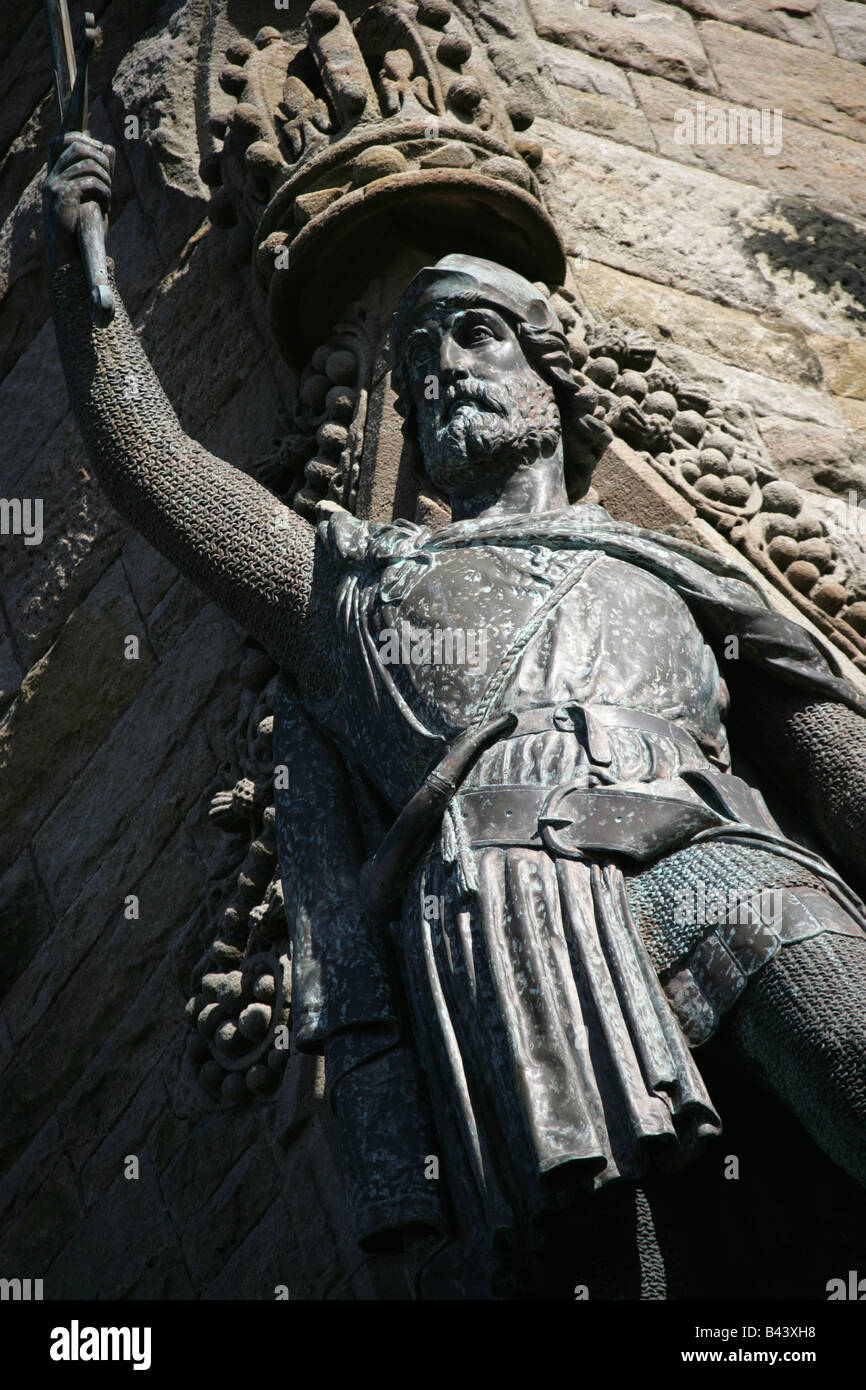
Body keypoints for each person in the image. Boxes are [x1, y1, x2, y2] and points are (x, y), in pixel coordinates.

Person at [44, 132, 866, 1292]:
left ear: (553, 371)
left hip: (720, 860)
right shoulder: (359, 592)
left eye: (473, 336)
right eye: (416, 359)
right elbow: (161, 471)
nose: (439, 371)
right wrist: (83, 279)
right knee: (621, 1269)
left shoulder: (674, 571)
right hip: (515, 915)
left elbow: (832, 757)